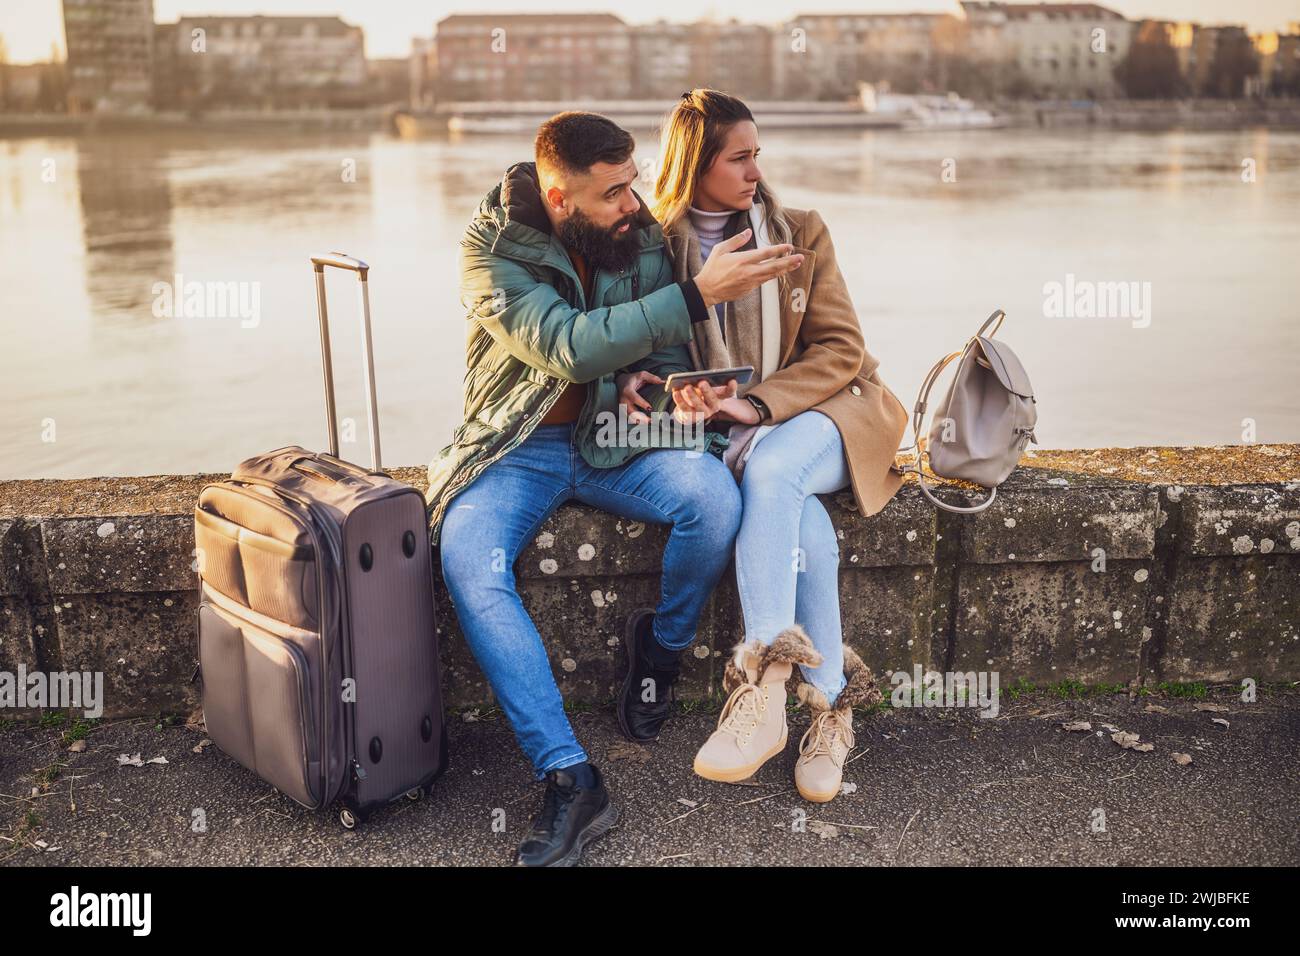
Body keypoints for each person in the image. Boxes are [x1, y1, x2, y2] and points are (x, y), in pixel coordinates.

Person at [427, 111, 804, 864]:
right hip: (518, 446)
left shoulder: (637, 237)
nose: (634, 205)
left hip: (616, 437)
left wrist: (665, 390)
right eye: (614, 194)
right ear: (561, 198)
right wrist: (697, 295)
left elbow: (659, 355)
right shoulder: (490, 250)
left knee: (713, 500)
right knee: (468, 560)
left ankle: (659, 651)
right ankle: (570, 777)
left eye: (634, 184)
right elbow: (566, 346)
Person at [647, 89, 910, 803]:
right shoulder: (657, 247)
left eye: (758, 154)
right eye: (738, 158)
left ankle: (762, 687)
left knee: (774, 462)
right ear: (697, 163)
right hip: (740, 440)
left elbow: (842, 350)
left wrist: (756, 404)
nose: (754, 170)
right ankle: (831, 713)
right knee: (800, 523)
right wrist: (692, 396)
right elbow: (647, 356)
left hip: (832, 414)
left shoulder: (799, 231)